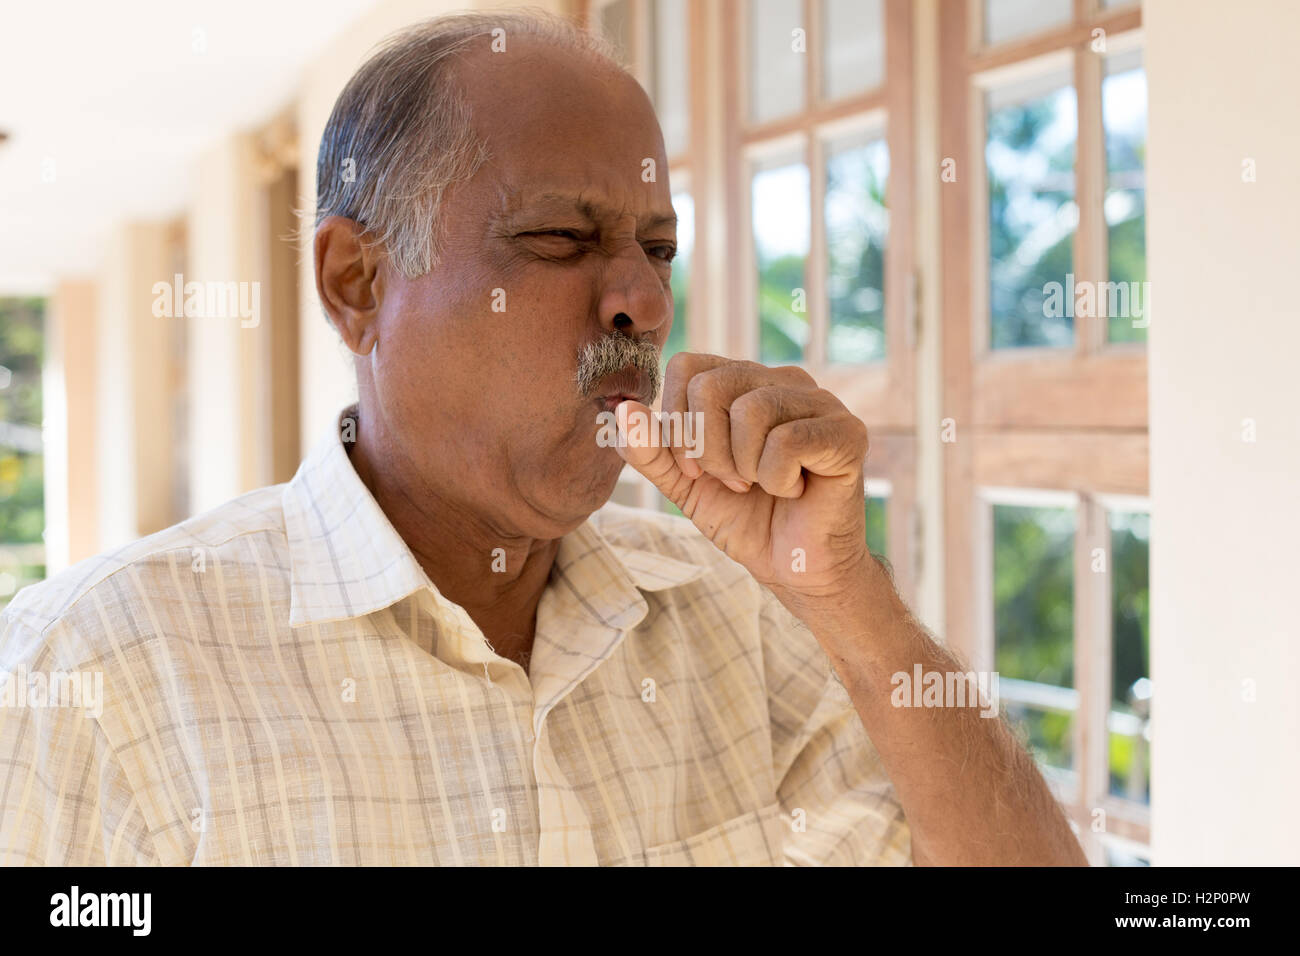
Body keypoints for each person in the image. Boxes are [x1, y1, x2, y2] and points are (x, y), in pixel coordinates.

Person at [0, 10, 1085, 866]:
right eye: (560, 237)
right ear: (356, 282)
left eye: (658, 250)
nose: (641, 304)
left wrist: (850, 595)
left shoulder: (744, 619)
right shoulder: (95, 676)